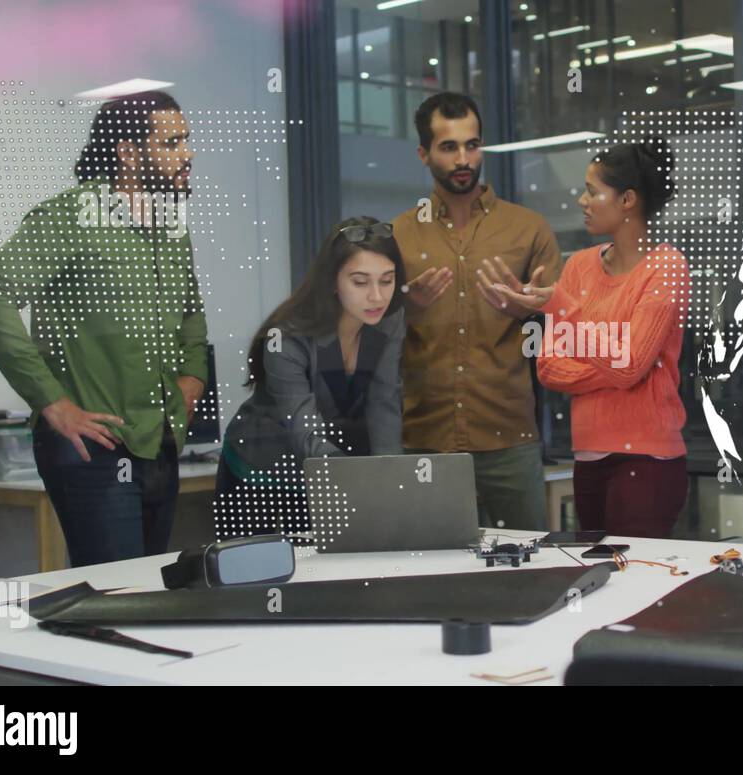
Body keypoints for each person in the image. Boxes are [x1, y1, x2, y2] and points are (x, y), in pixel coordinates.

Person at [0, 91, 209, 566]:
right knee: (115, 597)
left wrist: (193, 377)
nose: (188, 153)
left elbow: (192, 309)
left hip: (160, 439)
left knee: (150, 588)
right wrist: (52, 403)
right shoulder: (70, 218)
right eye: (173, 142)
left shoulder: (170, 222)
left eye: (187, 140)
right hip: (93, 448)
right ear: (129, 153)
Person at [490, 137, 690, 538]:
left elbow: (629, 362)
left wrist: (565, 313)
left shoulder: (666, 267)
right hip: (587, 456)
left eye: (592, 191)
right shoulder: (579, 266)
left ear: (627, 200)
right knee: (600, 583)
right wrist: (622, 369)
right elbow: (549, 367)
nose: (582, 200)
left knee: (637, 584)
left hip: (648, 461)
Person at [391, 92, 561, 530]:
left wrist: (531, 311)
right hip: (425, 441)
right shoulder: (398, 234)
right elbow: (366, 331)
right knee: (430, 575)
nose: (464, 158)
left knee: (533, 569)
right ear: (423, 154)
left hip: (510, 437)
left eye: (472, 144)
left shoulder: (528, 229)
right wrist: (405, 306)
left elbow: (564, 330)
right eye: (449, 147)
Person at [215, 217, 406, 538]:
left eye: (386, 280)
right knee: (254, 574)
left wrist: (391, 481)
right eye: (360, 282)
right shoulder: (289, 335)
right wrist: (360, 480)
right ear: (332, 281)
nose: (377, 297)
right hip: (260, 464)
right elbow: (303, 430)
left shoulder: (389, 319)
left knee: (325, 576)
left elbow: (384, 403)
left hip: (325, 469)